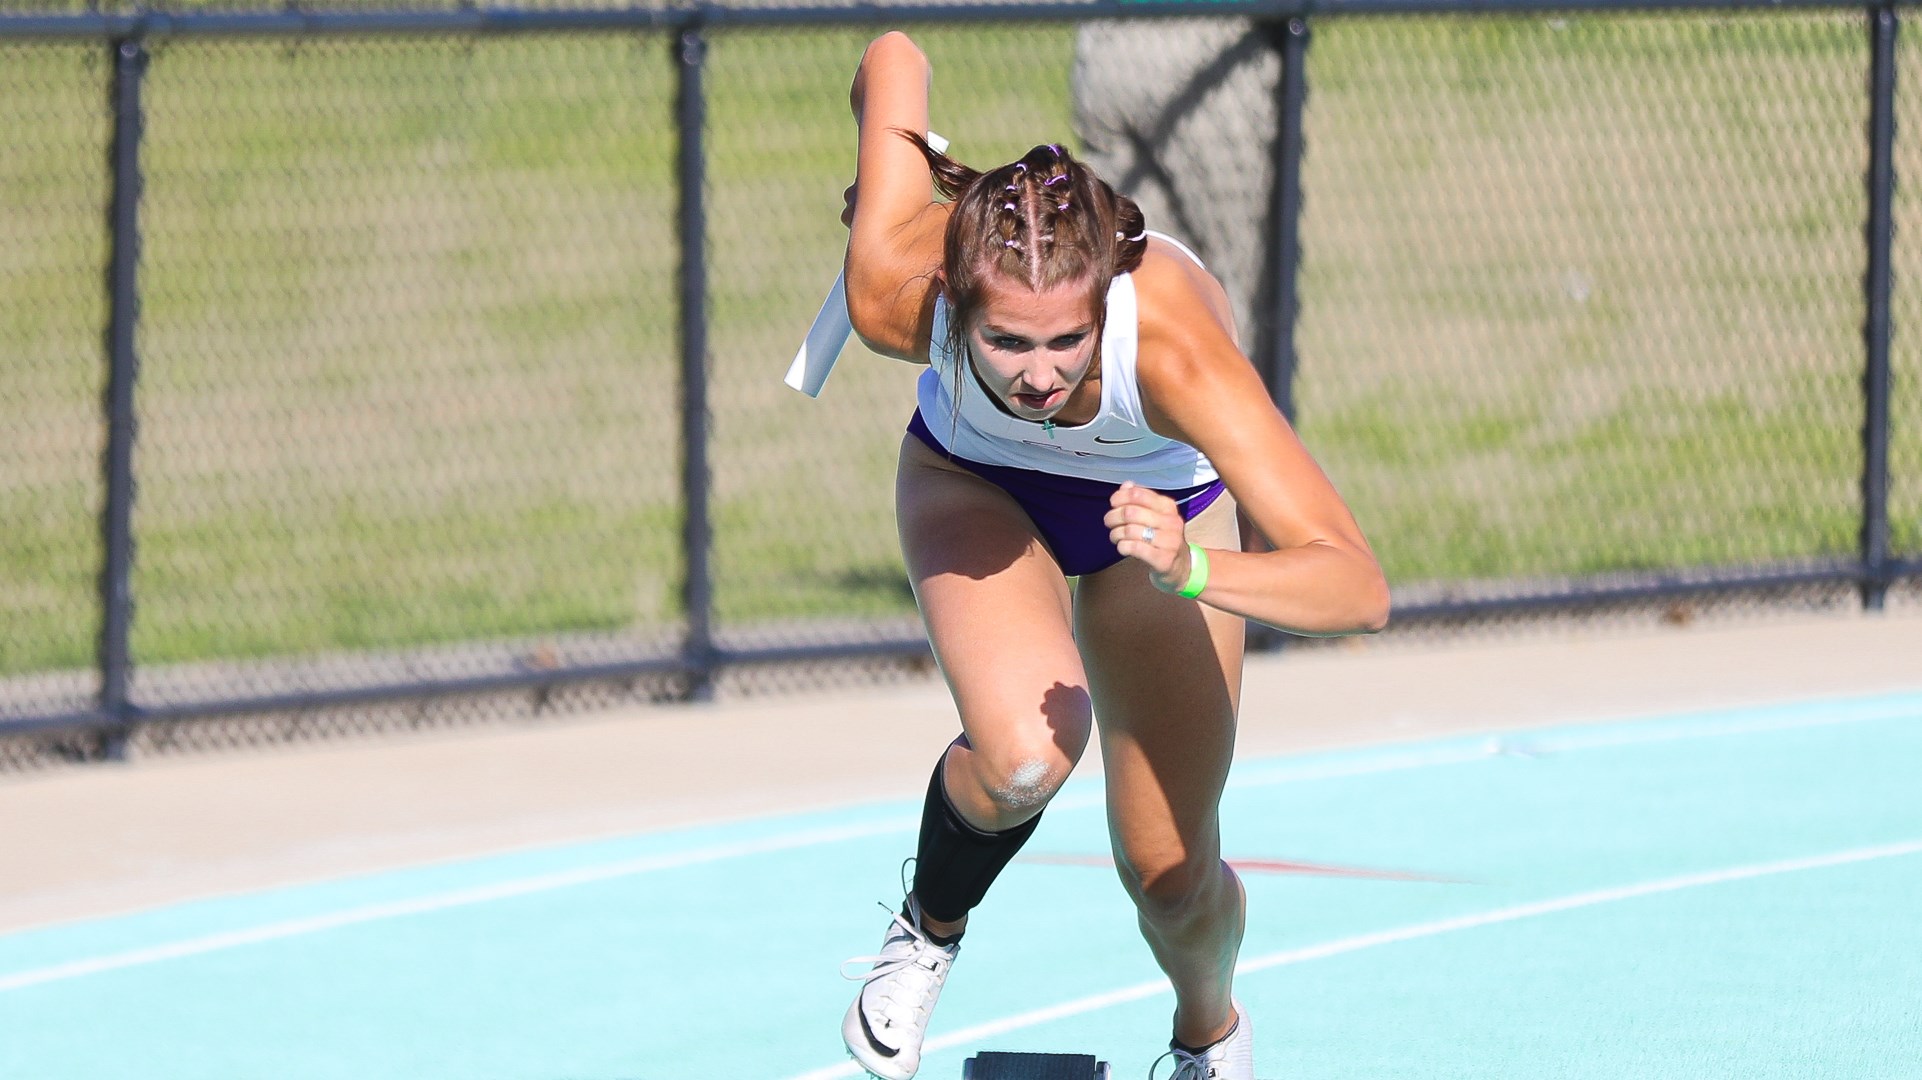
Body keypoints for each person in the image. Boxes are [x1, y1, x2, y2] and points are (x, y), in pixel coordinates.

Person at [834, 31, 1388, 1080]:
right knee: (1024, 757)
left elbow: (1355, 585)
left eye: (1064, 342)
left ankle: (1207, 1035)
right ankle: (927, 929)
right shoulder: (897, 298)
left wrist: (1192, 572)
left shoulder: (1173, 352)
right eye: (1005, 345)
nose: (1037, 376)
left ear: (1102, 308)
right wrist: (877, 168)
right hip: (975, 486)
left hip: (1157, 527)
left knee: (1172, 877)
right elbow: (892, 56)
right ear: (956, 307)